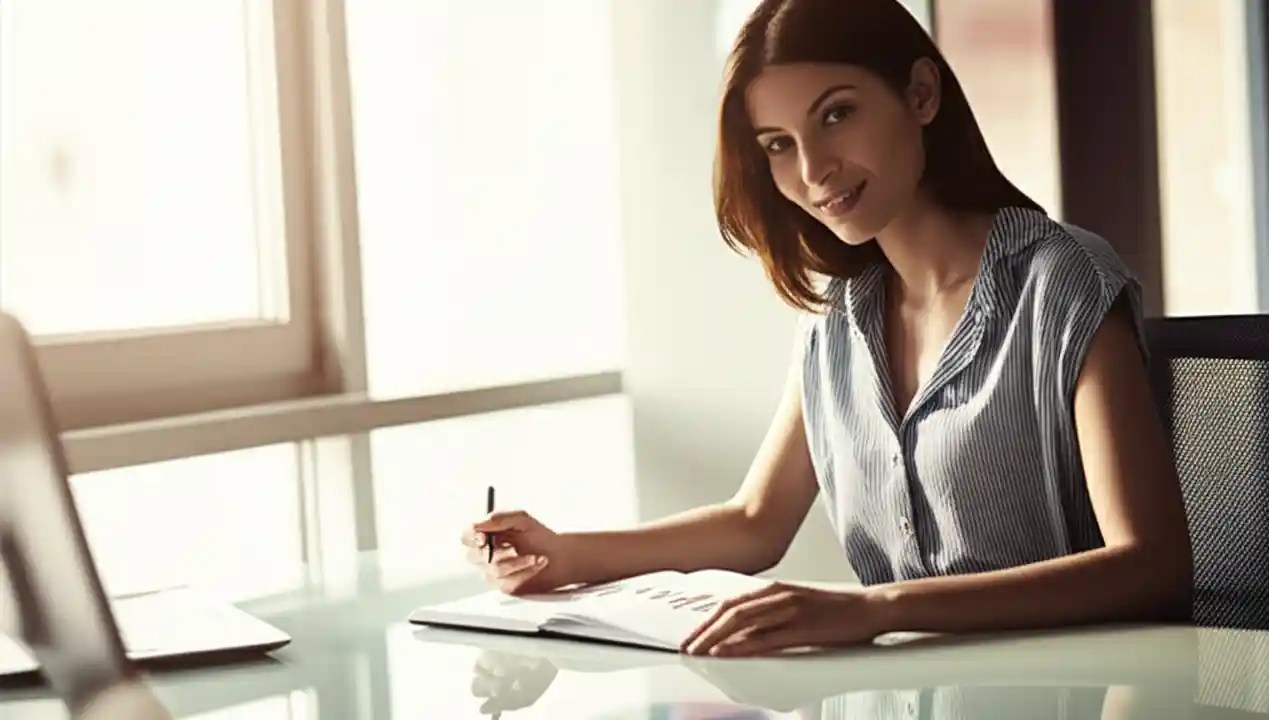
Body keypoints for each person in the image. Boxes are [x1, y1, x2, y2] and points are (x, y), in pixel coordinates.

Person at [460, 0, 1192, 658]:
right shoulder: (838, 319)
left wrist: (875, 609)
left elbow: (1152, 564)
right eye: (777, 144)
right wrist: (563, 554)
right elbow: (755, 522)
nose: (813, 169)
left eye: (836, 114)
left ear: (921, 94)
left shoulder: (1060, 282)